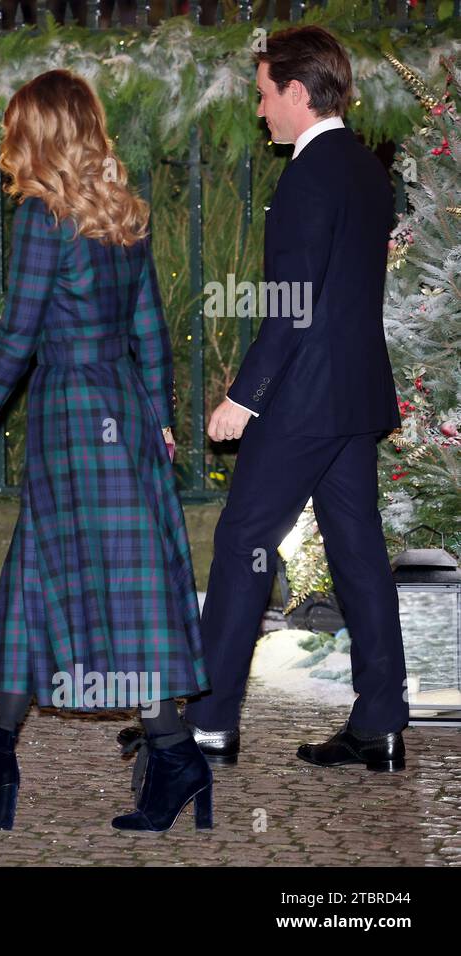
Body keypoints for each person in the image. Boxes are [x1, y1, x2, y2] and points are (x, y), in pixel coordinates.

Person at [0, 70, 212, 832]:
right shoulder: (124, 213)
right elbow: (149, 327)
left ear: (41, 135)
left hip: (72, 413)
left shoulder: (44, 218)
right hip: (115, 404)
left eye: (15, 128)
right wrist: (158, 418)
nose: (5, 143)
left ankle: (174, 752)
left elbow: (17, 334)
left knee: (111, 589)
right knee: (45, 581)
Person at [180, 25, 409, 771]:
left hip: (305, 400)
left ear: (298, 93)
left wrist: (246, 398)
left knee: (243, 541)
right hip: (353, 395)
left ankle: (210, 725)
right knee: (359, 554)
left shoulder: (312, 172)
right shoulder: (366, 167)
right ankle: (381, 722)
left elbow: (294, 302)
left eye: (264, 94)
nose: (259, 110)